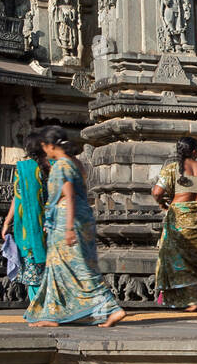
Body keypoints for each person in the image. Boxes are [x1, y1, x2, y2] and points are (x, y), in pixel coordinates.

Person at [24, 126, 125, 327]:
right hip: (83, 216)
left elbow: (69, 195)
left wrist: (69, 227)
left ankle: (112, 308)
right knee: (64, 267)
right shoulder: (76, 163)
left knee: (78, 267)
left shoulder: (62, 165)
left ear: (51, 146)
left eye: (45, 146)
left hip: (67, 218)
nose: (44, 150)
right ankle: (54, 314)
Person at [150, 136, 197, 311]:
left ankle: (185, 299)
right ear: (195, 151)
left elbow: (157, 192)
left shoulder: (172, 169)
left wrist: (162, 204)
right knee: (196, 260)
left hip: (179, 221)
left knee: (176, 260)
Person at [1, 131, 48, 303]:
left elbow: (17, 196)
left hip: (28, 227)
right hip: (44, 225)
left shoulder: (24, 168)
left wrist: (8, 221)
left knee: (33, 267)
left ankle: (38, 306)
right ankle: (41, 306)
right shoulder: (50, 167)